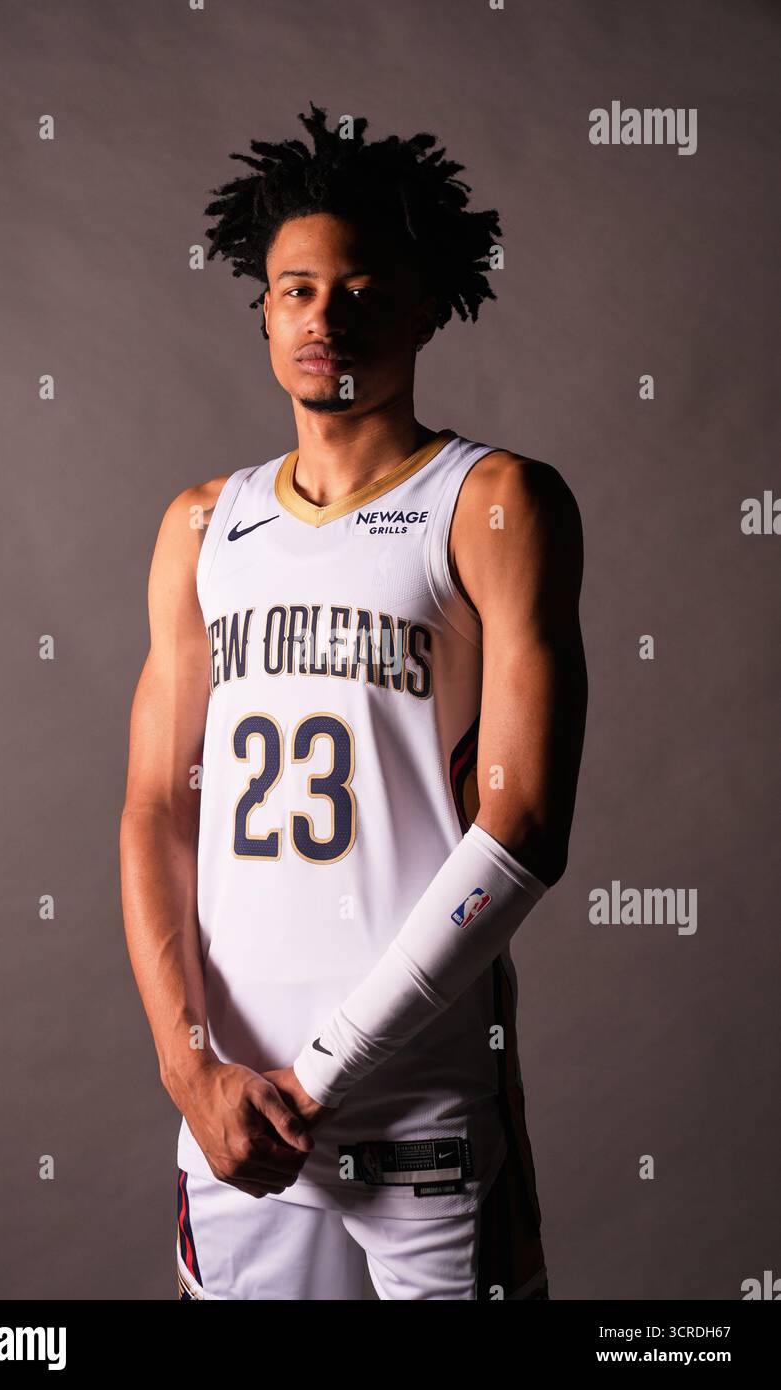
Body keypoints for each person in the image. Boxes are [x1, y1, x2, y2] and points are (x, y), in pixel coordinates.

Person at [120, 102, 587, 1301]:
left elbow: (522, 827)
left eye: (364, 287)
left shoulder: (490, 501)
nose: (326, 318)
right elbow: (156, 816)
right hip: (230, 1109)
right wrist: (192, 1076)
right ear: (263, 312)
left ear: (428, 303)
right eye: (296, 290)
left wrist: (321, 1072)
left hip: (418, 1104)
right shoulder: (199, 526)